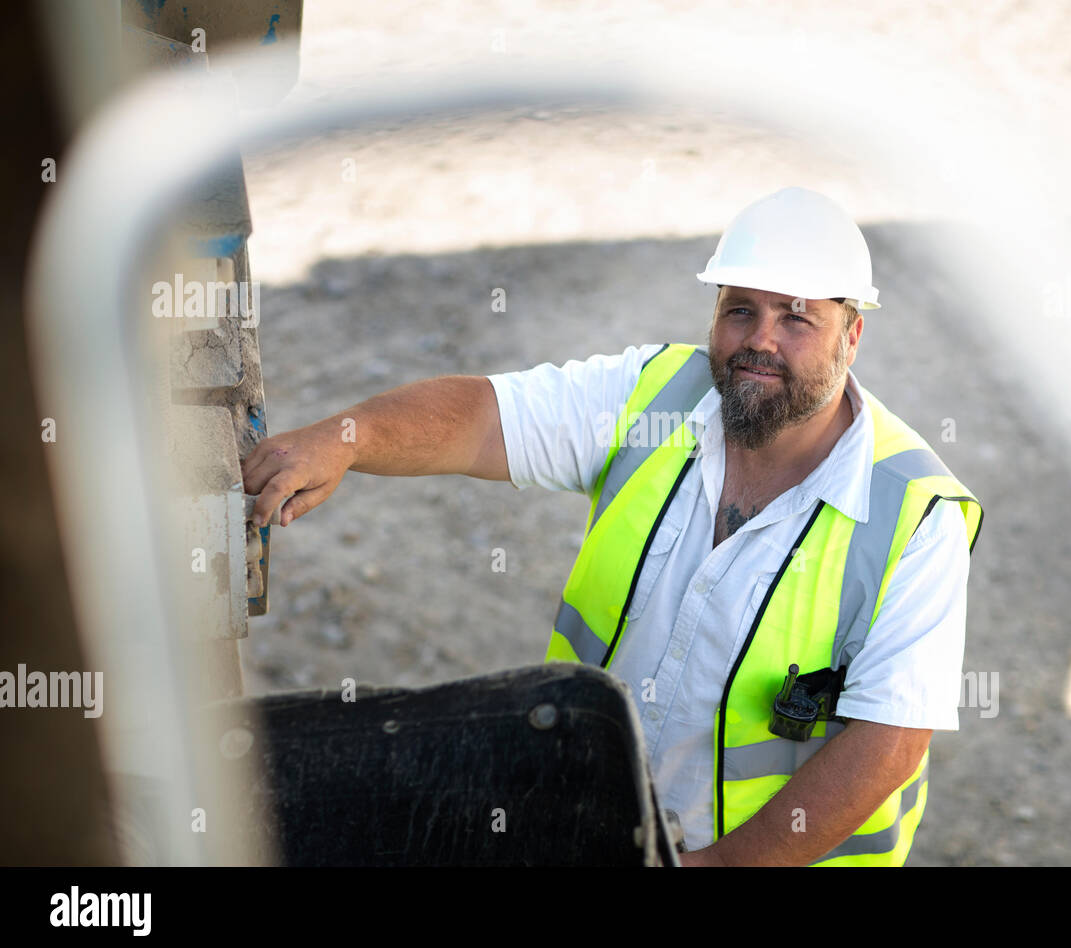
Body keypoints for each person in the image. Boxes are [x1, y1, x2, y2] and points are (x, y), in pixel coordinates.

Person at [241, 186, 983, 866]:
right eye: (740, 309)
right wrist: (348, 438)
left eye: (797, 317)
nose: (761, 338)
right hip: (601, 822)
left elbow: (888, 744)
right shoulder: (654, 396)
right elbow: (481, 420)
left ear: (851, 337)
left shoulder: (915, 517)